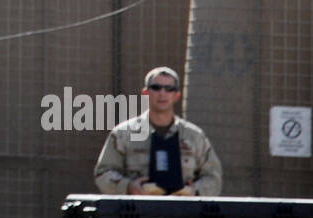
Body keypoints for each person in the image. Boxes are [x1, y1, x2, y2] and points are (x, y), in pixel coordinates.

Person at [93, 66, 222, 196]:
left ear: (176, 95)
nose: (162, 93)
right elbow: (103, 173)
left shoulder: (194, 136)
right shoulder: (124, 134)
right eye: (156, 87)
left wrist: (193, 190)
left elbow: (213, 177)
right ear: (145, 93)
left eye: (169, 89)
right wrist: (129, 187)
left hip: (183, 212)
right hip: (136, 211)